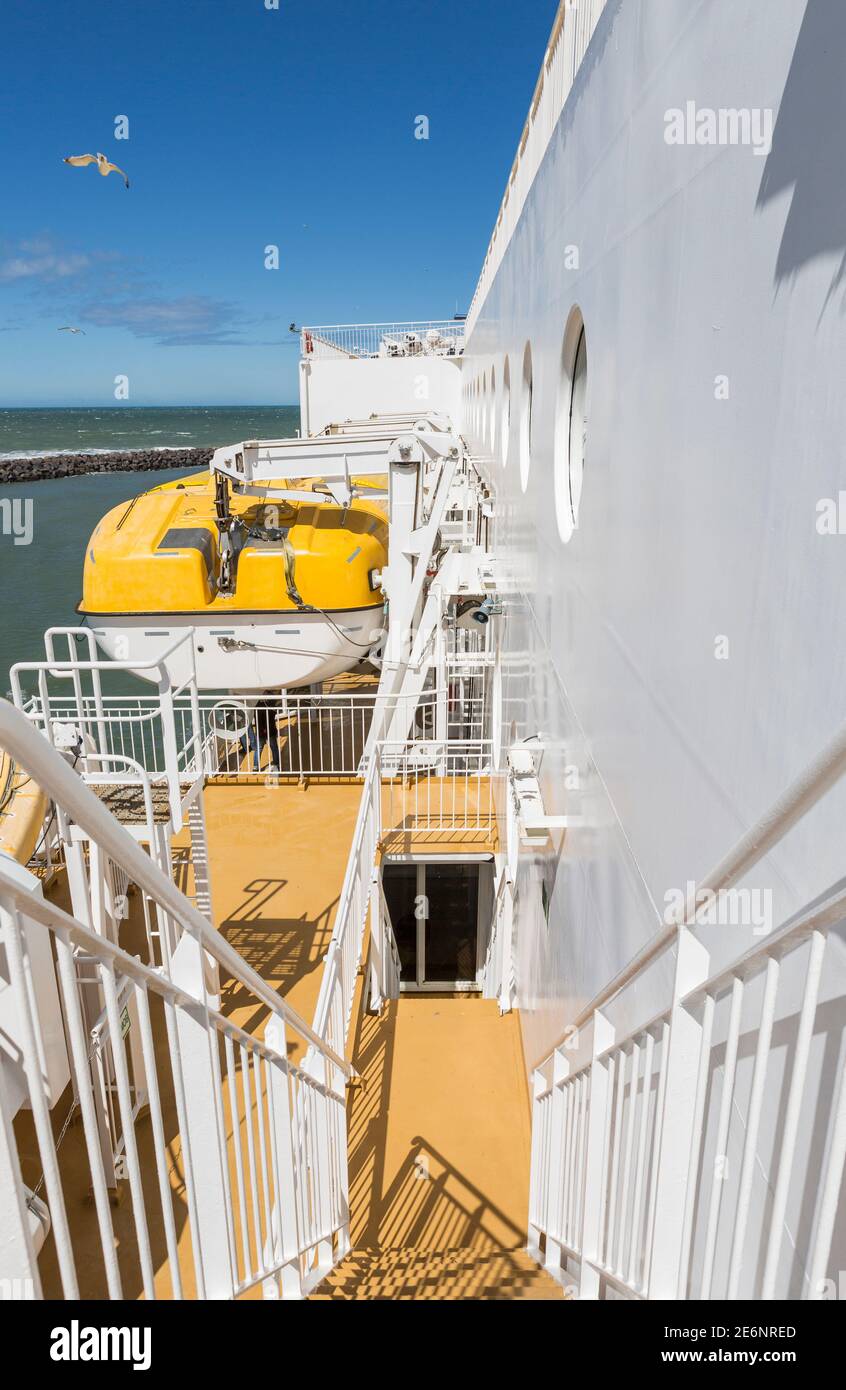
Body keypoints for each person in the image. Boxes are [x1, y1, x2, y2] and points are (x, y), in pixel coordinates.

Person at [240, 694, 281, 772]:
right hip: (270, 730)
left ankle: (256, 766)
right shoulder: (270, 706)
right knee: (274, 748)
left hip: (260, 732)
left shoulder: (257, 706)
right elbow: (273, 715)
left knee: (259, 749)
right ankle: (277, 764)